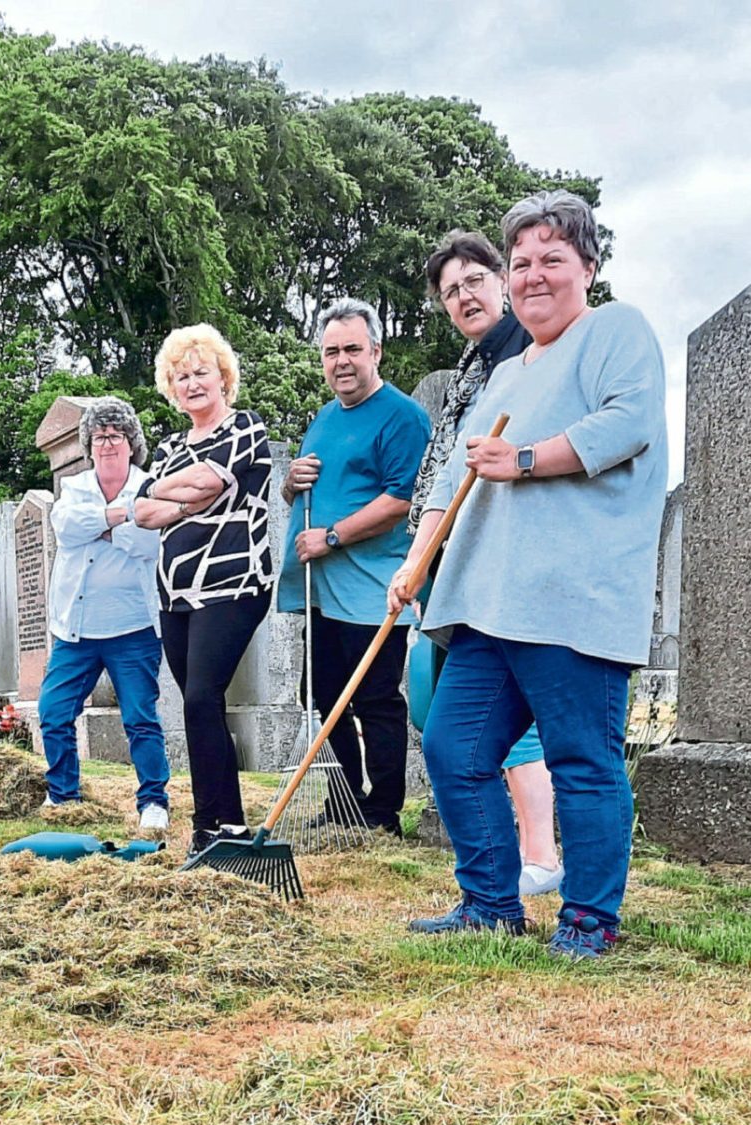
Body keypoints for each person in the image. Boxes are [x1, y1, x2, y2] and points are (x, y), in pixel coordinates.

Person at [388, 191, 666, 959]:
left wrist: (527, 460)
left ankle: (587, 919)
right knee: (454, 747)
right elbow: (451, 479)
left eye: (553, 258)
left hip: (570, 597)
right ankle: (489, 901)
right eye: (522, 263)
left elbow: (627, 423)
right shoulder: (507, 373)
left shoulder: (615, 330)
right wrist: (415, 565)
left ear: (588, 266)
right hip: (485, 601)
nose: (534, 275)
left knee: (583, 758)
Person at [404, 230, 563, 896]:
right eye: (450, 290)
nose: (464, 296)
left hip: (490, 557)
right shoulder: (475, 365)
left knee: (502, 713)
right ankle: (494, 869)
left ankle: (539, 855)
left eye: (474, 280)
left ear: (500, 281)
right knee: (434, 705)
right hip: (444, 555)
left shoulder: (527, 354)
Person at [276, 298, 429, 833]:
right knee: (320, 696)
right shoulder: (323, 417)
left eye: (352, 350)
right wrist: (291, 482)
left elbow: (403, 500)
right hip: (321, 590)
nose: (341, 361)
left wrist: (334, 537)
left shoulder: (403, 416)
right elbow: (306, 487)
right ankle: (347, 798)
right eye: (330, 351)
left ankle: (383, 810)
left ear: (376, 352)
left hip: (371, 589)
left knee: (374, 699)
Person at [133, 324, 274, 855]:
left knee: (200, 695)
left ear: (223, 378)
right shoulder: (170, 445)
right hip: (176, 594)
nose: (192, 383)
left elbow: (209, 483)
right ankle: (208, 827)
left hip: (234, 583)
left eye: (201, 372)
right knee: (198, 708)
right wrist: (178, 492)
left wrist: (175, 492)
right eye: (181, 376)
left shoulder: (245, 428)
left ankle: (229, 825)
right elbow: (145, 511)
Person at [39, 398, 170, 832]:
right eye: (99, 438)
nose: (108, 444)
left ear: (132, 444)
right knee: (54, 713)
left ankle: (153, 800)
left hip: (132, 627)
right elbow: (66, 530)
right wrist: (121, 519)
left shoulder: (153, 486)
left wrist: (100, 526)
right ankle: (63, 795)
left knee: (140, 719)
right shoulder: (74, 488)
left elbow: (151, 544)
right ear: (89, 447)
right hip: (75, 629)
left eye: (116, 436)